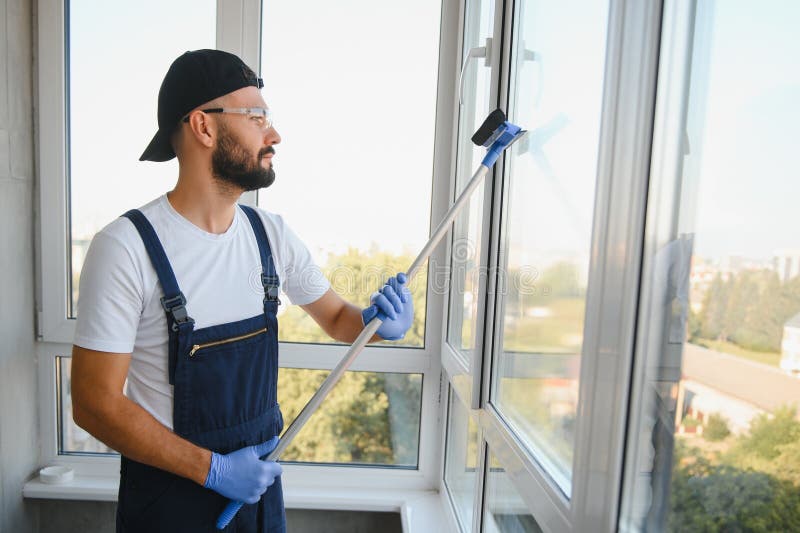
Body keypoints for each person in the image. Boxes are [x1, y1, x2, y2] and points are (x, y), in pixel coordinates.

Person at [70, 49, 414, 533]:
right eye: (255, 117)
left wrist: (378, 321)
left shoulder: (269, 235)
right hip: (170, 505)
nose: (273, 135)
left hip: (256, 493)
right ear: (203, 127)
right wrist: (212, 470)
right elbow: (93, 403)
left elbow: (339, 319)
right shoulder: (125, 248)